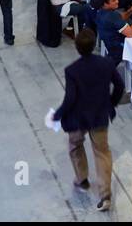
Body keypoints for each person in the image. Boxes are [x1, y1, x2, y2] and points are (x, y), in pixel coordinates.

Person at [53, 28, 124, 211]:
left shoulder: (72, 71)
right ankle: (105, 195)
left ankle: (82, 178)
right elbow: (119, 85)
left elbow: (70, 98)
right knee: (102, 152)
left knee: (75, 146)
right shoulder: (106, 64)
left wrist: (58, 114)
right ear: (93, 44)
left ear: (77, 47)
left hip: (78, 117)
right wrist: (111, 103)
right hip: (100, 115)